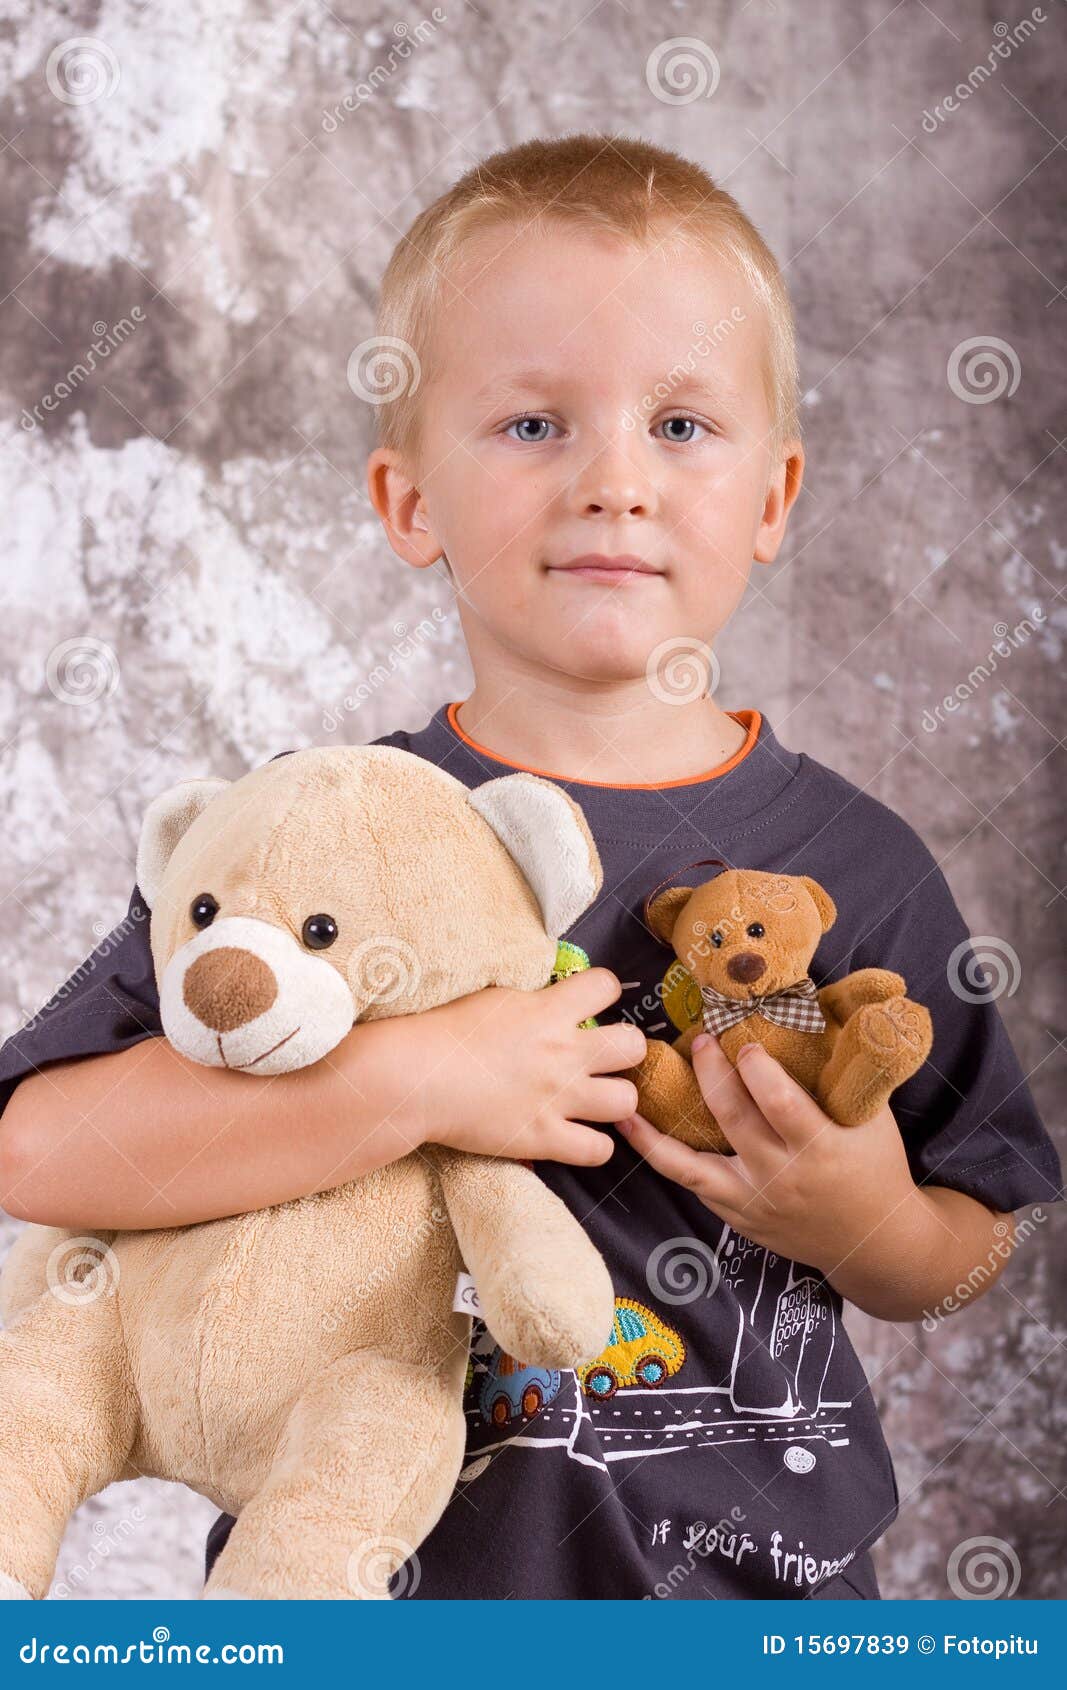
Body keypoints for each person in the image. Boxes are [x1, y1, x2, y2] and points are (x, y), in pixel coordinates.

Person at [0, 134, 1060, 1602]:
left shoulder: (851, 866)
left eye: (682, 426)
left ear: (774, 495)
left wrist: (867, 1219)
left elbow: (968, 1246)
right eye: (533, 425)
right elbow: (38, 1148)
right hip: (361, 1591)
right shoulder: (312, 831)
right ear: (408, 501)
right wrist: (415, 1078)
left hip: (757, 1611)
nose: (615, 481)